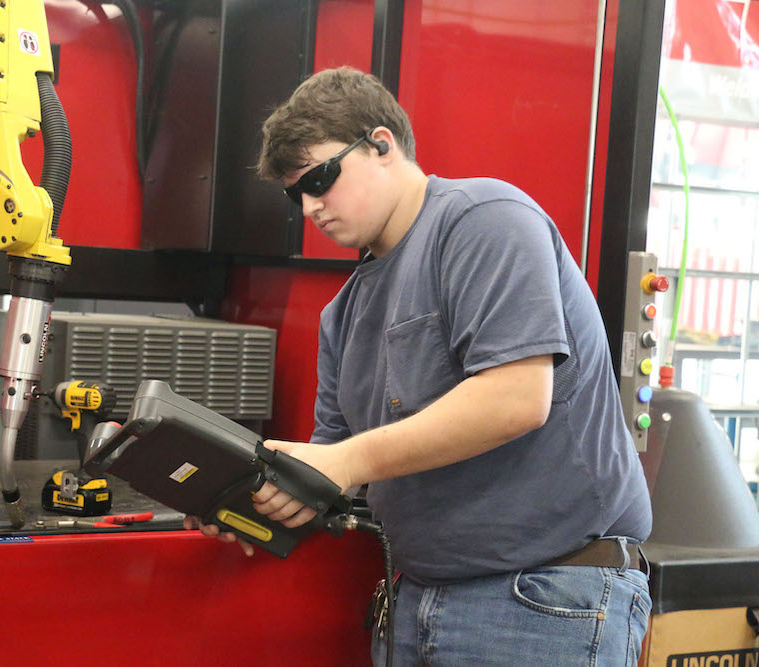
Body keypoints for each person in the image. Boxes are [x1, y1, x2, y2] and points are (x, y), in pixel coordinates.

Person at [185, 66, 653, 665]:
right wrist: (243, 501)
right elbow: (332, 475)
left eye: (320, 178)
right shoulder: (343, 314)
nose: (310, 206)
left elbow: (516, 397)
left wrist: (346, 460)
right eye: (295, 193)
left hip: (543, 600)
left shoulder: (485, 220)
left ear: (381, 145)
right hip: (417, 601)